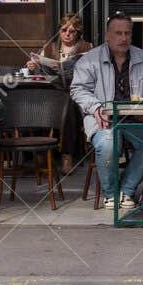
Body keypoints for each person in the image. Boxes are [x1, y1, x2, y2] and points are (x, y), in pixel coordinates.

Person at [70, 12, 143, 209]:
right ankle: (110, 194)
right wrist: (96, 107)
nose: (123, 38)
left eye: (127, 33)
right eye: (118, 33)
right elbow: (78, 89)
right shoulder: (90, 60)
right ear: (107, 35)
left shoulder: (142, 58)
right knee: (109, 144)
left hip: (135, 119)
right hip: (104, 119)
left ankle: (126, 191)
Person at [31, 13, 94, 175]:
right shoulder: (49, 48)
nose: (67, 34)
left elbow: (95, 73)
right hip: (53, 92)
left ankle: (67, 155)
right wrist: (34, 65)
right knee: (36, 103)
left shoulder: (87, 48)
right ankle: (40, 152)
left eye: (72, 31)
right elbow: (39, 72)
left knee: (69, 107)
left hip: (75, 93)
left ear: (78, 33)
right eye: (64, 30)